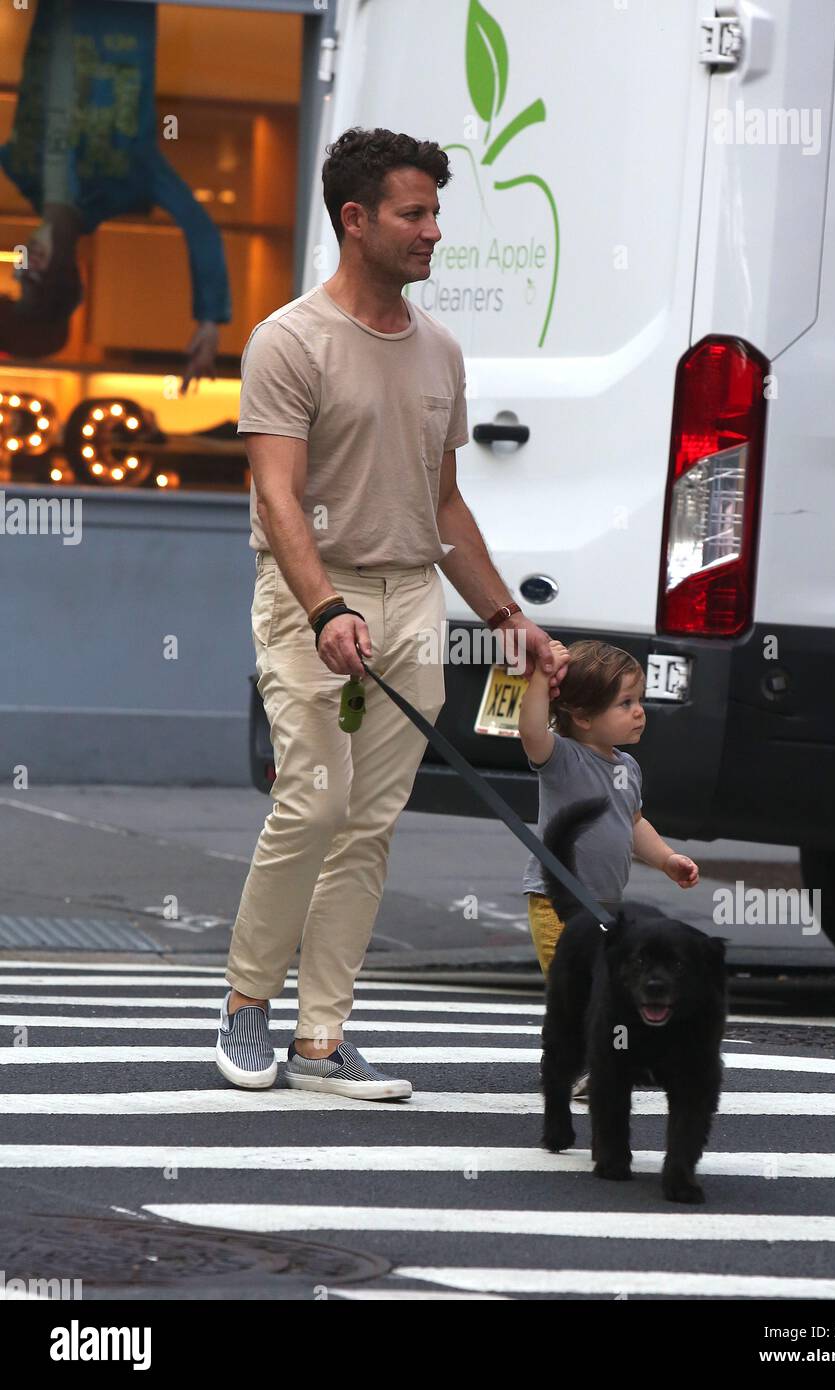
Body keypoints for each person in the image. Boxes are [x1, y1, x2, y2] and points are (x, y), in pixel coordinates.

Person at [216, 126, 568, 1099]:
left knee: (370, 822)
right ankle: (248, 1003)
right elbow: (278, 497)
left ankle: (321, 1037)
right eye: (414, 213)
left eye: (435, 212)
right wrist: (324, 605)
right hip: (312, 596)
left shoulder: (438, 351)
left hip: (411, 596)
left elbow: (443, 503)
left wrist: (505, 616)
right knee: (314, 800)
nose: (432, 231)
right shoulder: (288, 341)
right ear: (356, 218)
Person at [0, 0, 229, 389]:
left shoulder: (20, 165)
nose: (29, 270)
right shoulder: (127, 181)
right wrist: (210, 319)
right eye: (41, 286)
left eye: (21, 282)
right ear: (68, 278)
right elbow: (199, 226)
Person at [518, 637, 700, 974]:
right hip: (557, 901)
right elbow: (530, 732)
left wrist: (666, 859)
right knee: (574, 988)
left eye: (639, 700)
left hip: (604, 904)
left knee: (599, 989)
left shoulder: (627, 766)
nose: (639, 711)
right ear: (584, 717)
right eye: (625, 703)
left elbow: (633, 822)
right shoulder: (563, 758)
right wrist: (542, 680)